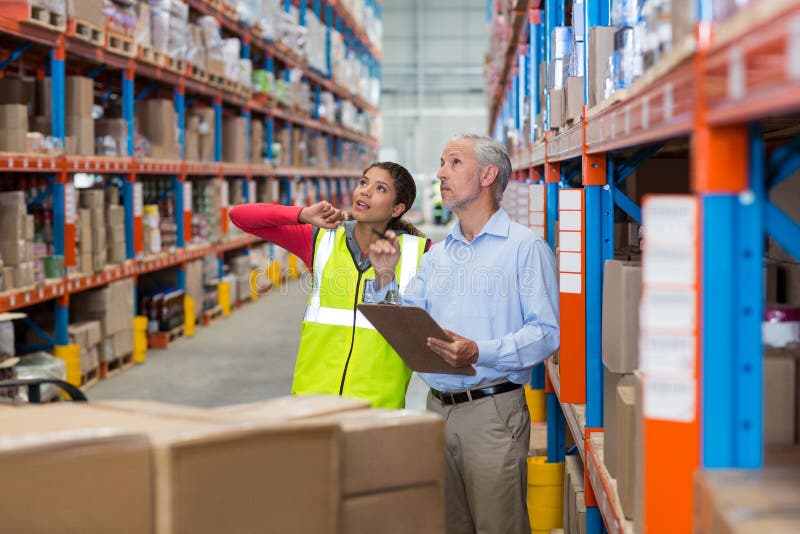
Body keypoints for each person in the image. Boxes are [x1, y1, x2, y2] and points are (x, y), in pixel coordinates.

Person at [368, 134, 560, 533]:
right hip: (437, 409)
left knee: (497, 525)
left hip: (491, 415)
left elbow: (545, 334)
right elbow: (408, 317)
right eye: (442, 163)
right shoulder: (439, 254)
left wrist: (478, 352)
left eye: (454, 163)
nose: (441, 173)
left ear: (488, 175)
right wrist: (385, 280)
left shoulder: (524, 248)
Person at [229, 162, 430, 409]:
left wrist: (386, 278)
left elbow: (422, 338)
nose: (364, 191)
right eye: (363, 182)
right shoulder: (321, 239)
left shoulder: (420, 254)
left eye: (380, 189)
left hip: (377, 409)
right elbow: (240, 216)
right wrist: (302, 214)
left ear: (397, 208)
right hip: (312, 403)